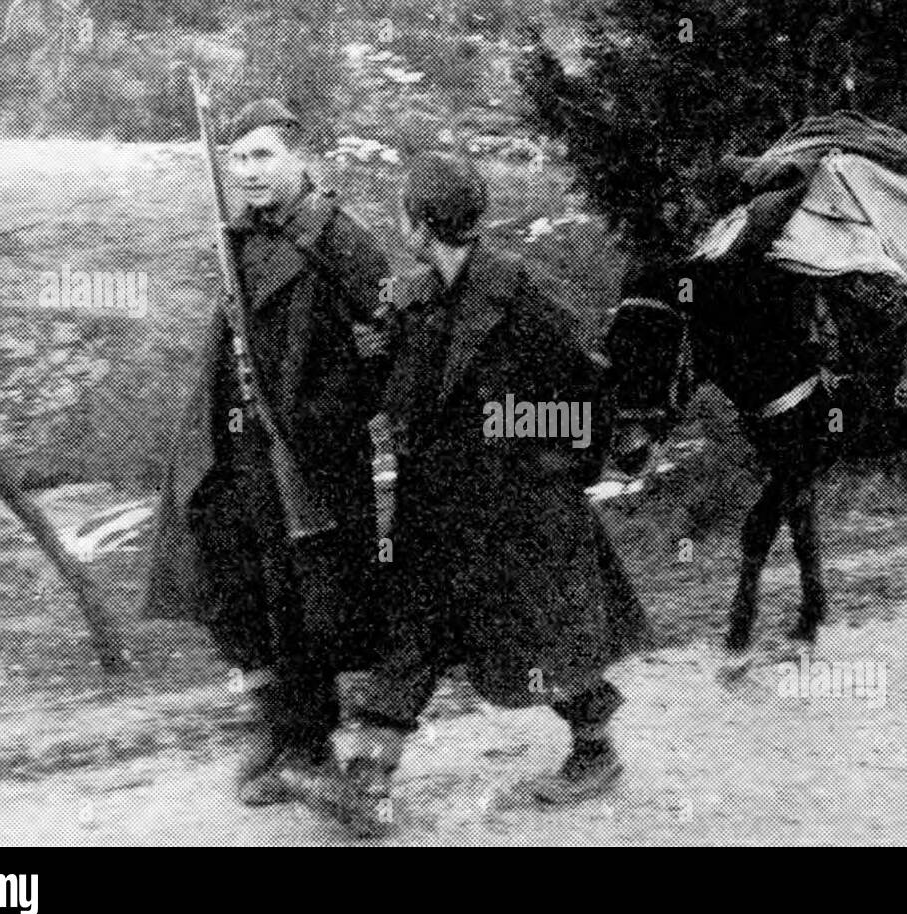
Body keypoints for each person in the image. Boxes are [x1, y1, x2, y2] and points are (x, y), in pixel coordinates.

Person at [324, 151, 648, 838]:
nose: (400, 225)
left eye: (404, 212)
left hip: (516, 511)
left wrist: (545, 465)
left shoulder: (523, 294)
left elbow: (589, 396)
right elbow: (395, 394)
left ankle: (595, 744)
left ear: (420, 223)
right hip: (433, 512)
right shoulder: (413, 301)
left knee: (536, 635)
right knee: (412, 633)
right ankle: (370, 778)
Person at [141, 98, 390, 806]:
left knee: (304, 604)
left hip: (312, 457)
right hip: (236, 449)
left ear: (300, 159)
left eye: (262, 156)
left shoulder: (343, 241)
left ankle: (309, 747)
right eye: (238, 157)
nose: (247, 171)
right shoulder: (240, 238)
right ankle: (276, 723)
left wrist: (317, 418)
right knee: (226, 575)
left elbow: (385, 349)